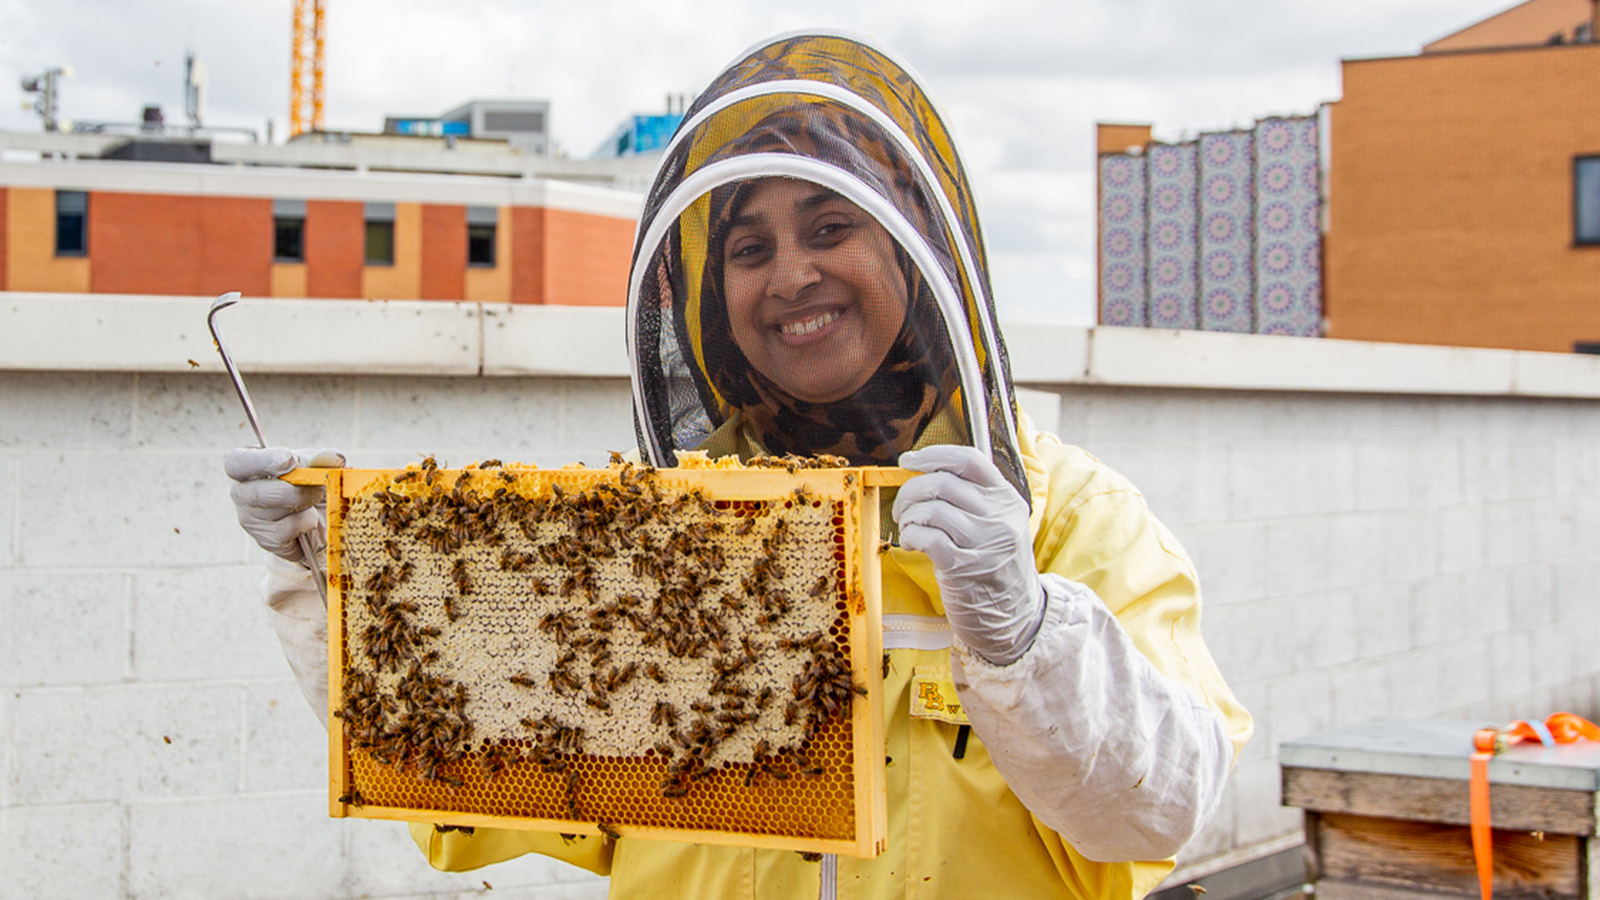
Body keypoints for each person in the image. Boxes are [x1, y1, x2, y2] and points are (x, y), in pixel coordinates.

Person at [228, 32, 1250, 900]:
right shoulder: (670, 529)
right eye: (748, 246)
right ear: (712, 296)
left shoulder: (1075, 517)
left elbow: (1157, 811)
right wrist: (348, 586)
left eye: (831, 226)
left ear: (915, 252)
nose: (791, 273)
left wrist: (1028, 637)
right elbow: (480, 776)